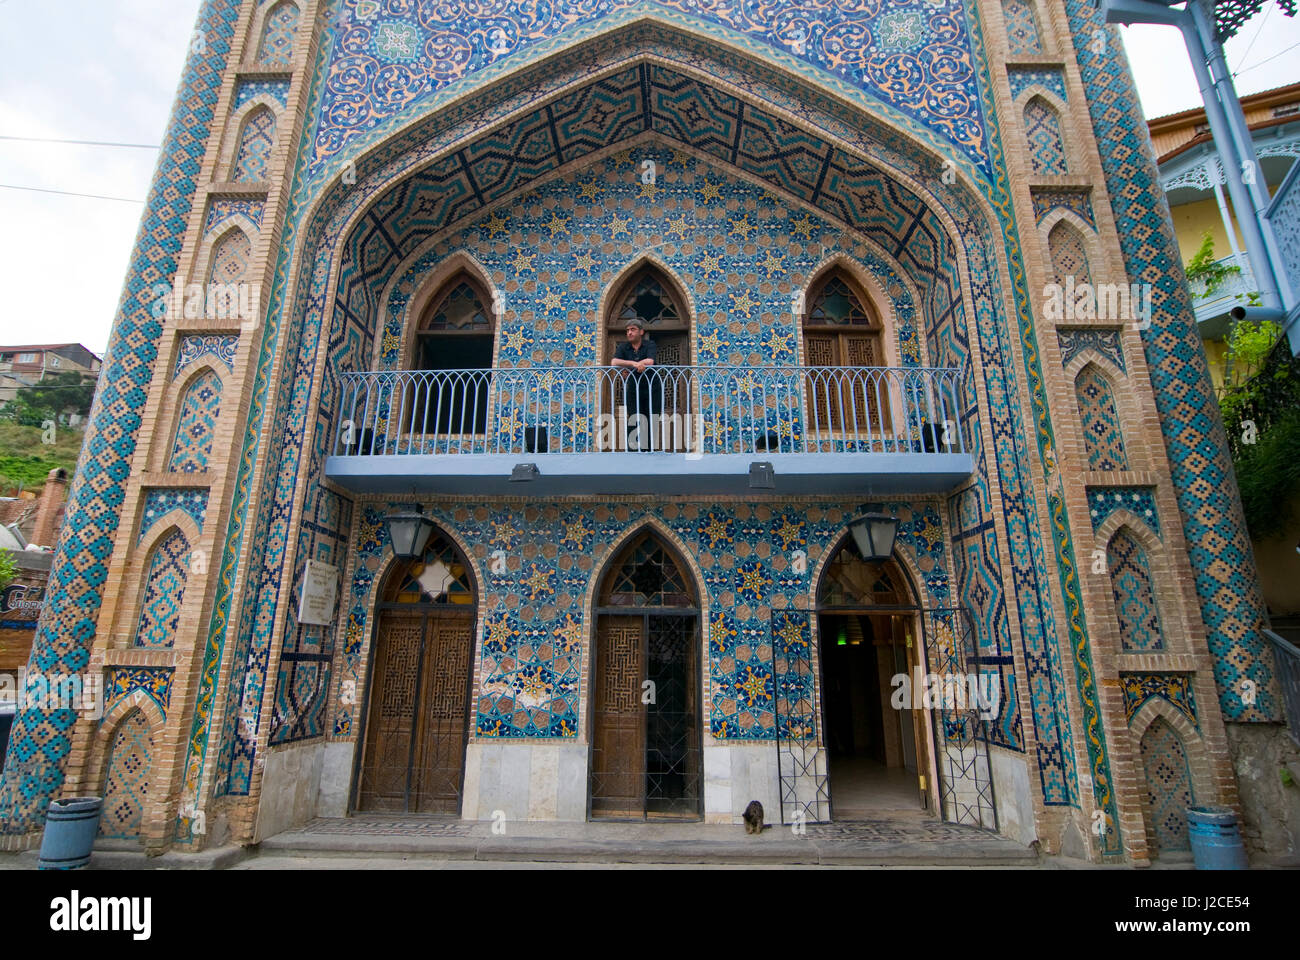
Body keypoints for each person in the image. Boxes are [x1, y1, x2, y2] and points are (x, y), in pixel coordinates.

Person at [612, 318, 662, 450]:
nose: (629, 332)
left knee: (652, 418)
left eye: (633, 329)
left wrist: (630, 367)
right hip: (634, 388)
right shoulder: (624, 347)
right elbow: (614, 362)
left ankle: (650, 450)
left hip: (653, 388)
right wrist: (635, 364)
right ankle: (632, 451)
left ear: (641, 332)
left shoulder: (649, 344)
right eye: (627, 330)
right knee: (633, 418)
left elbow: (650, 361)